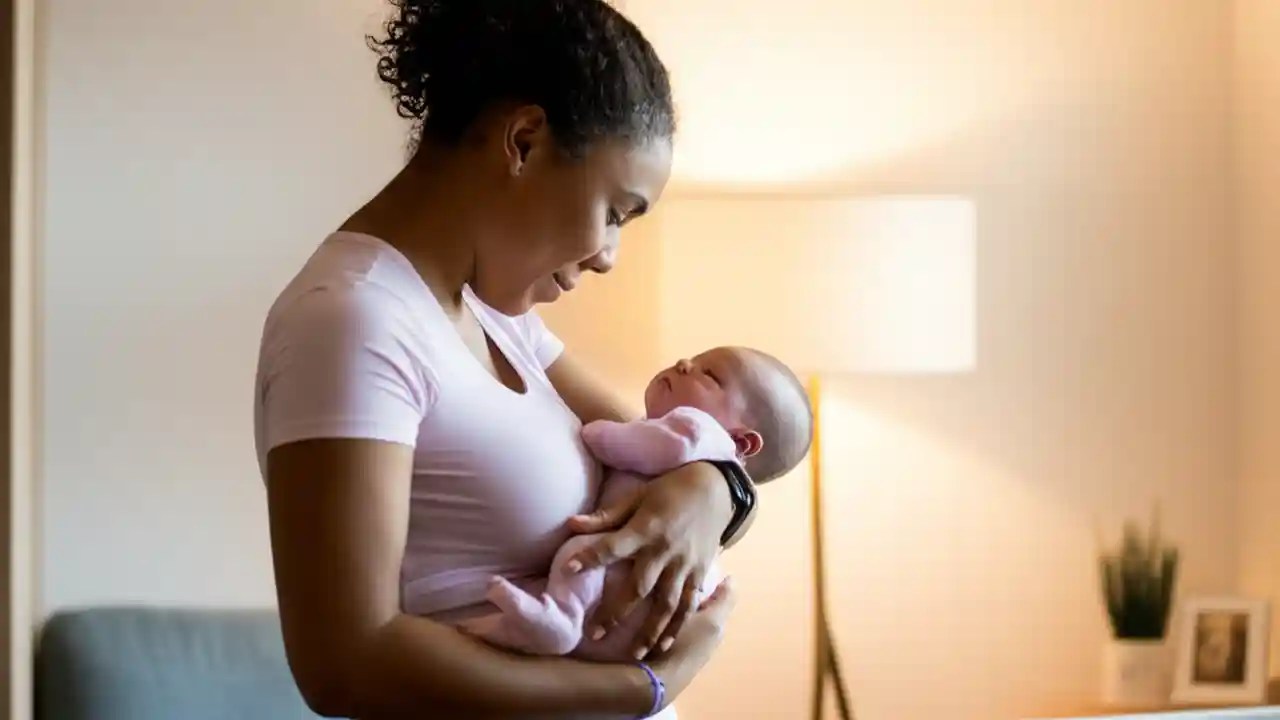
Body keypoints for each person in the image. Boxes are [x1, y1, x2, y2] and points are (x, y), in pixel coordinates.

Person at [253, 1, 760, 718]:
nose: (609, 257)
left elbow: (686, 459)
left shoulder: (493, 316)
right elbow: (346, 664)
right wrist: (639, 690)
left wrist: (712, 493)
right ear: (524, 141)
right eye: (615, 212)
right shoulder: (353, 318)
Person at [466, 347, 813, 661]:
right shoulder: (713, 455)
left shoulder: (695, 430)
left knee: (584, 554)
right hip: (656, 618)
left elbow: (655, 445)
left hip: (630, 573)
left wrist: (598, 435)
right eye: (694, 358)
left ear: (743, 441)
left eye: (709, 374)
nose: (684, 362)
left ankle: (562, 616)